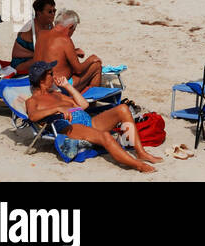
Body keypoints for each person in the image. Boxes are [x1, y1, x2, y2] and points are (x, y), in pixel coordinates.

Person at [24, 62, 160, 172]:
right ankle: (138, 165)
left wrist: (67, 86)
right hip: (71, 127)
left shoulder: (57, 94)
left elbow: (83, 105)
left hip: (88, 121)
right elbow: (33, 116)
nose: (54, 76)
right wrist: (56, 108)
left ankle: (141, 152)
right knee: (105, 136)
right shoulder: (33, 101)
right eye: (50, 74)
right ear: (41, 79)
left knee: (123, 109)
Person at [34, 10, 102, 90]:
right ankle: (91, 100)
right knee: (96, 66)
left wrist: (74, 52)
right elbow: (78, 70)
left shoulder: (41, 34)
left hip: (38, 83)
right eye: (74, 29)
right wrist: (91, 59)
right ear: (70, 27)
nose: (72, 32)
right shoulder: (65, 40)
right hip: (57, 86)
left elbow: (51, 54)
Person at [12, 0, 57, 75]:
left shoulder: (49, 24)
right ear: (39, 13)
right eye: (50, 12)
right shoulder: (32, 27)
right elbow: (44, 52)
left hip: (35, 58)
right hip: (21, 62)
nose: (53, 14)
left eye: (54, 11)